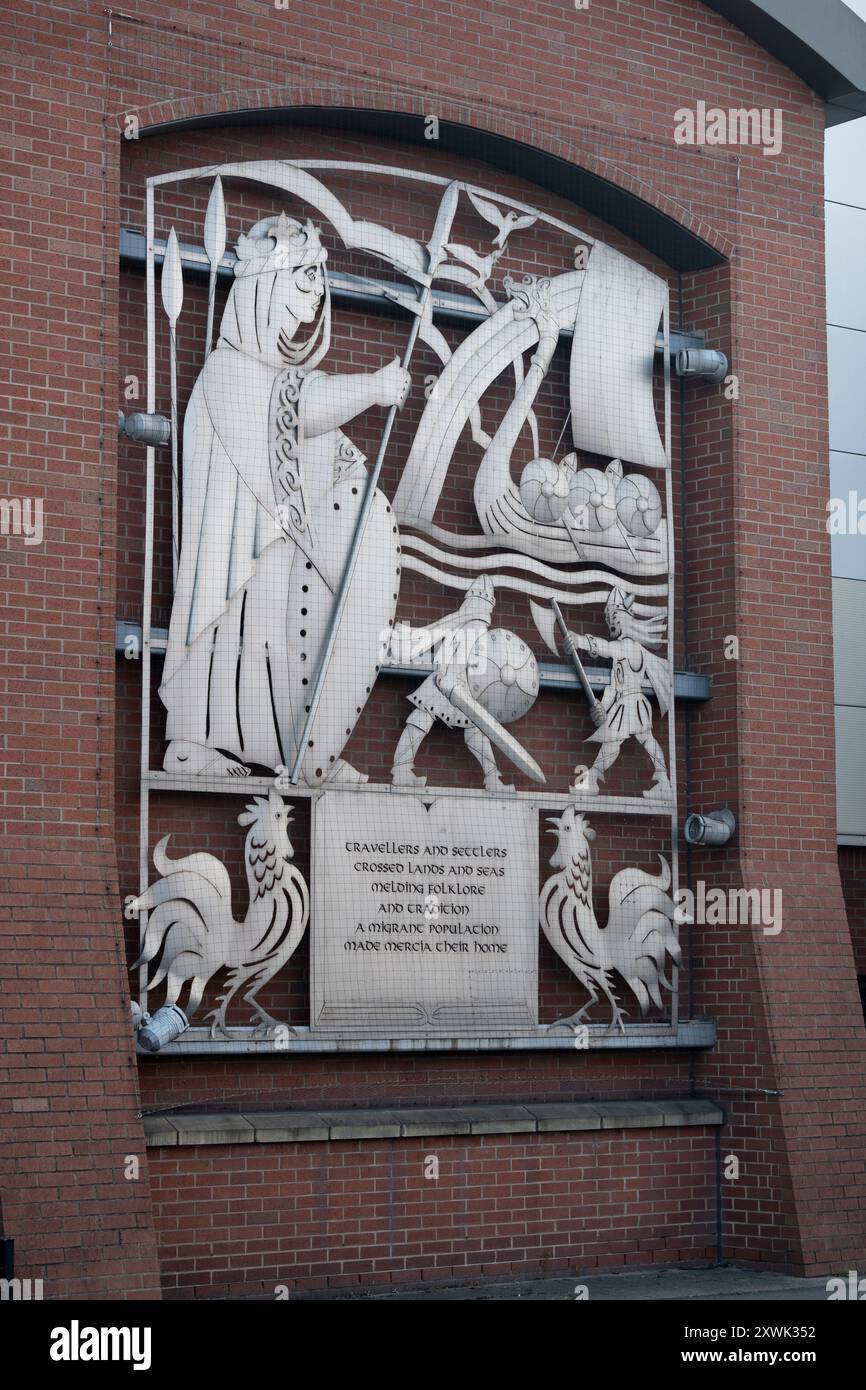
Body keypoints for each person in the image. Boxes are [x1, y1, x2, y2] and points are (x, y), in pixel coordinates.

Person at [159, 213, 409, 783]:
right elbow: (298, 409)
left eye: (319, 283)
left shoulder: (261, 378)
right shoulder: (230, 373)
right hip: (232, 554)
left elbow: (307, 432)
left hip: (266, 545)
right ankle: (191, 744)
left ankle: (297, 754)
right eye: (304, 280)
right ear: (266, 289)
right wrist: (371, 388)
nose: (316, 297)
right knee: (231, 636)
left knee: (275, 641)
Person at [565, 588, 672, 799]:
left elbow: (605, 647)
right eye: (608, 618)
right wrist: (602, 708)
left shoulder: (628, 647)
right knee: (630, 741)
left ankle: (595, 779)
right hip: (627, 702)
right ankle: (661, 780)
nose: (610, 622)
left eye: (613, 616)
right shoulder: (622, 652)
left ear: (624, 617)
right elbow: (614, 687)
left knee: (617, 741)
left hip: (631, 703)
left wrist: (580, 641)